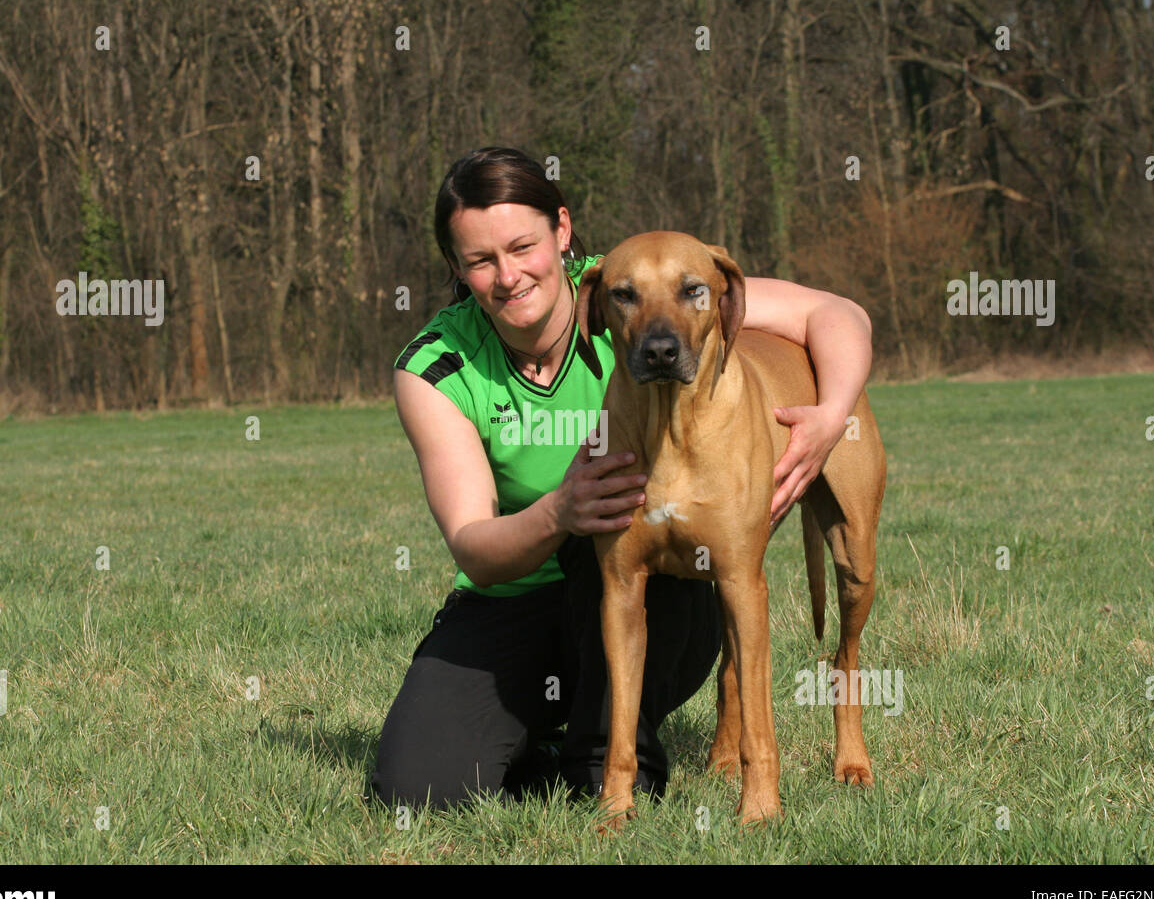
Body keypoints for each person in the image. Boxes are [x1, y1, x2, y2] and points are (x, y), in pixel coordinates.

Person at [371, 146, 872, 811]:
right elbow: (473, 548)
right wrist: (560, 512)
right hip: (514, 597)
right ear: (456, 269)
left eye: (523, 246)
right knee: (418, 788)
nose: (509, 276)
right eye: (481, 260)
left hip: (659, 591)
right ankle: (542, 735)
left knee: (595, 781)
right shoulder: (437, 364)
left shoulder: (632, 280)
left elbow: (836, 315)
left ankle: (605, 753)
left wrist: (830, 417)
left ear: (562, 233)